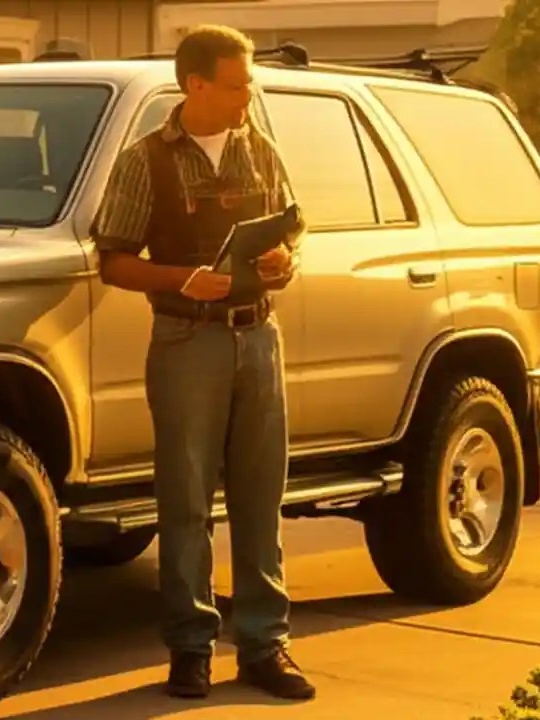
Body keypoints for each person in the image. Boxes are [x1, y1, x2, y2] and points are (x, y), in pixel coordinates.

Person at [90, 24, 314, 701]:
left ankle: (264, 647)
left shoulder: (261, 151)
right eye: (239, 82)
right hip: (187, 342)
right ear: (197, 86)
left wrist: (284, 262)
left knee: (259, 497)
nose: (251, 93)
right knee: (186, 502)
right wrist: (181, 279)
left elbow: (291, 231)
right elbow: (114, 261)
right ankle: (190, 649)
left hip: (259, 337)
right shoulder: (145, 160)